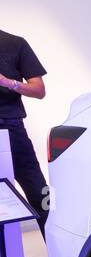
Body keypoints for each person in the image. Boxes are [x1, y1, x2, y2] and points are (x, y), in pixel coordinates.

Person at [0, 28, 49, 232]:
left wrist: (7, 82)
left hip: (11, 129)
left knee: (40, 194)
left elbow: (39, 90)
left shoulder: (14, 43)